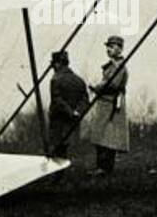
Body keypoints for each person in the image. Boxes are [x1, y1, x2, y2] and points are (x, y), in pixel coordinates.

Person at [81, 35, 129, 173]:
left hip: (111, 104)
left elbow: (113, 84)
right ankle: (103, 167)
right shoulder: (113, 65)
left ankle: (104, 168)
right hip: (106, 103)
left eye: (112, 47)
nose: (108, 49)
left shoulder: (118, 66)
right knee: (103, 136)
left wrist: (97, 87)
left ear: (120, 49)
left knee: (107, 137)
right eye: (108, 46)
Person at [47, 51, 89, 159]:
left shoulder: (55, 80)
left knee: (57, 151)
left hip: (58, 123)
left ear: (57, 64)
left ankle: (58, 175)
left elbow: (57, 101)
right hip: (73, 122)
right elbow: (85, 100)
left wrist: (69, 112)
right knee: (67, 149)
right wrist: (77, 112)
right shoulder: (79, 81)